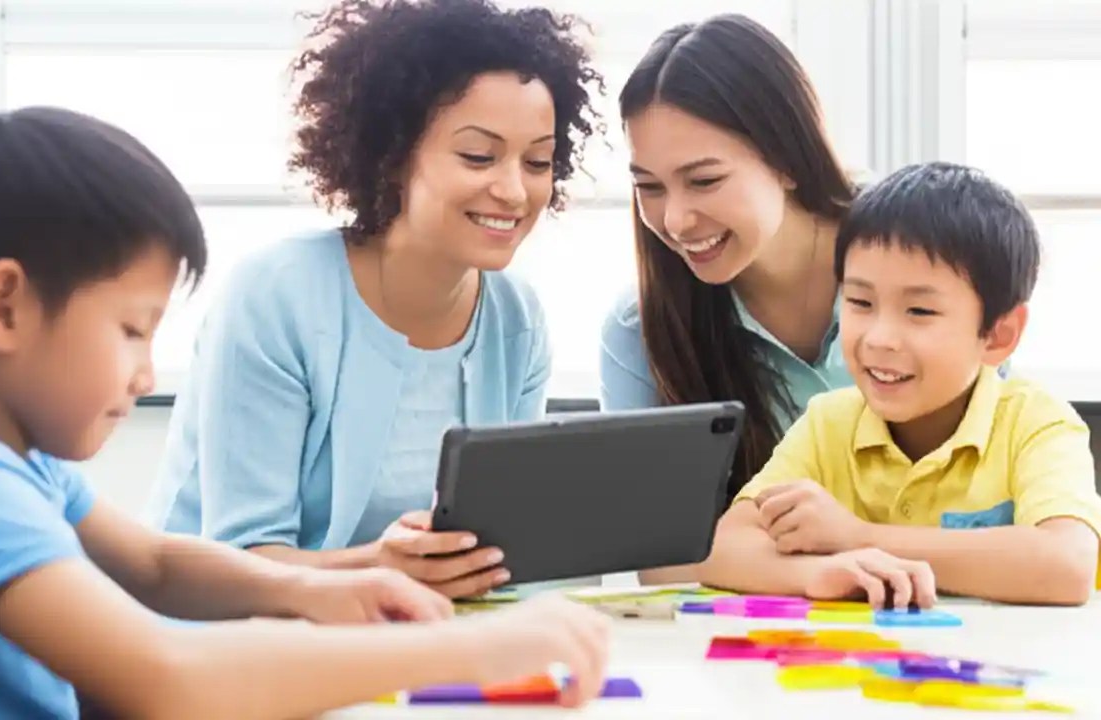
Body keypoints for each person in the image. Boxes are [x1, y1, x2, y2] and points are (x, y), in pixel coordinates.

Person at [0, 106, 612, 719]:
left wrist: (311, 592)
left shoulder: (3, 460)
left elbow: (158, 568)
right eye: (132, 329)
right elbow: (167, 677)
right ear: (5, 308)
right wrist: (471, 652)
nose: (145, 372)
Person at [146, 0, 604, 598]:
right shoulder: (277, 297)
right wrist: (377, 568)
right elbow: (242, 559)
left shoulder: (516, 320)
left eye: (538, 161)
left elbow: (497, 545)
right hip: (224, 634)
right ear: (393, 156)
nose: (515, 190)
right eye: (477, 156)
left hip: (398, 641)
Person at [699, 162, 1101, 607]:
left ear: (998, 334)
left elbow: (1068, 566)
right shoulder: (829, 424)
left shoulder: (1037, 422)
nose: (879, 338)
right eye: (859, 302)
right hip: (862, 668)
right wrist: (816, 573)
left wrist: (858, 537)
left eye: (920, 312)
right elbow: (722, 548)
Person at [599, 15, 858, 583]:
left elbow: (993, 493)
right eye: (649, 186)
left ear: (786, 159)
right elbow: (655, 558)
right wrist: (828, 573)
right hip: (756, 635)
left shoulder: (924, 254)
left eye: (704, 180)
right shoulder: (638, 328)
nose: (674, 219)